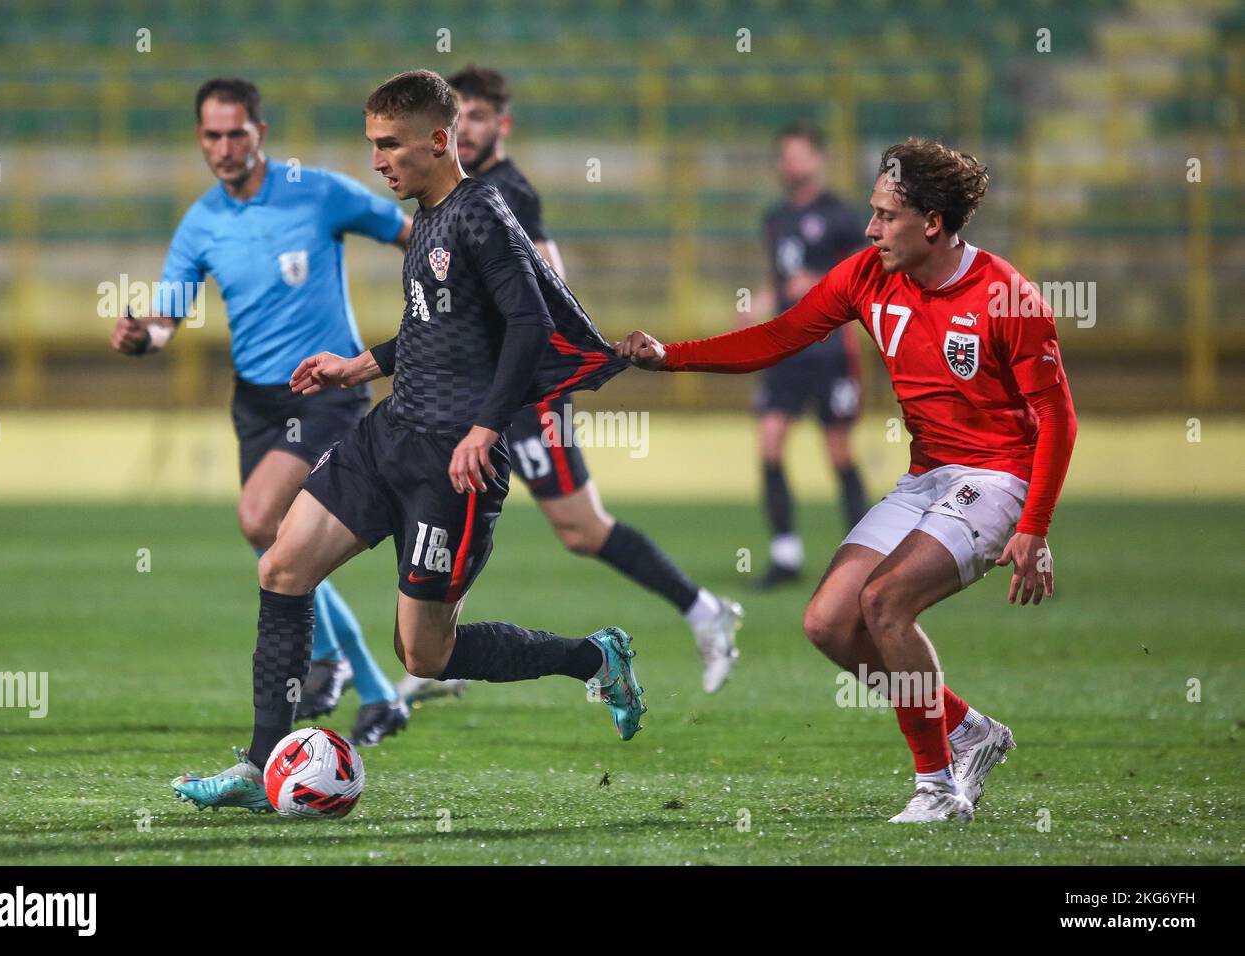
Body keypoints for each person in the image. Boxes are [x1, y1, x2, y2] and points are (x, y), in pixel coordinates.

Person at [171, 70, 645, 813]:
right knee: (283, 566)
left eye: (389, 144)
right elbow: (438, 328)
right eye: (370, 145)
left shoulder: (481, 214)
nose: (377, 160)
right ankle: (264, 767)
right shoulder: (424, 215)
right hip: (388, 433)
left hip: (453, 470)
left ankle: (594, 656)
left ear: (437, 140)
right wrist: (359, 364)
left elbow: (530, 326)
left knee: (424, 654)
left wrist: (486, 428)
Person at [616, 138, 1077, 823]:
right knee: (828, 622)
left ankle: (938, 787)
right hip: (927, 476)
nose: (870, 228)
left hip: (998, 478)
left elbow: (1057, 417)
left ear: (931, 223)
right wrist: (670, 358)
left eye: (887, 215)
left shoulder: (1007, 297)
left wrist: (1034, 528)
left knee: (886, 603)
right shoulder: (867, 275)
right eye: (872, 212)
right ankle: (967, 730)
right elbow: (779, 336)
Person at [394, 65, 741, 704]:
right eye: (459, 115)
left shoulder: (502, 194)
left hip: (515, 392)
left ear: (502, 124)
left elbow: (542, 284)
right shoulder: (454, 191)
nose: (466, 128)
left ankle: (702, 609)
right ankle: (437, 652)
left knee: (577, 526)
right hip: (481, 386)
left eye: (479, 117)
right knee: (528, 517)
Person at [111, 77, 414, 746]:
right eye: (211, 136)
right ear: (200, 139)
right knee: (278, 546)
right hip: (255, 403)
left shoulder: (320, 192)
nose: (223, 147)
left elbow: (411, 234)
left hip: (325, 390)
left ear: (261, 134)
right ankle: (374, 688)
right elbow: (168, 316)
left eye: (235, 133)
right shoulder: (202, 222)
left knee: (257, 517)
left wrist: (443, 298)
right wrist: (144, 337)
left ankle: (328, 662)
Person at [746, 123, 867, 591]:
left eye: (800, 155)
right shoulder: (774, 217)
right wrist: (761, 300)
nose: (792, 164)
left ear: (818, 159)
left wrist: (817, 280)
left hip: (829, 348)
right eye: (786, 156)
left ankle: (862, 555)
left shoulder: (841, 215)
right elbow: (780, 278)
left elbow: (865, 273)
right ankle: (786, 554)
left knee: (837, 449)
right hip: (785, 348)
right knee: (770, 442)